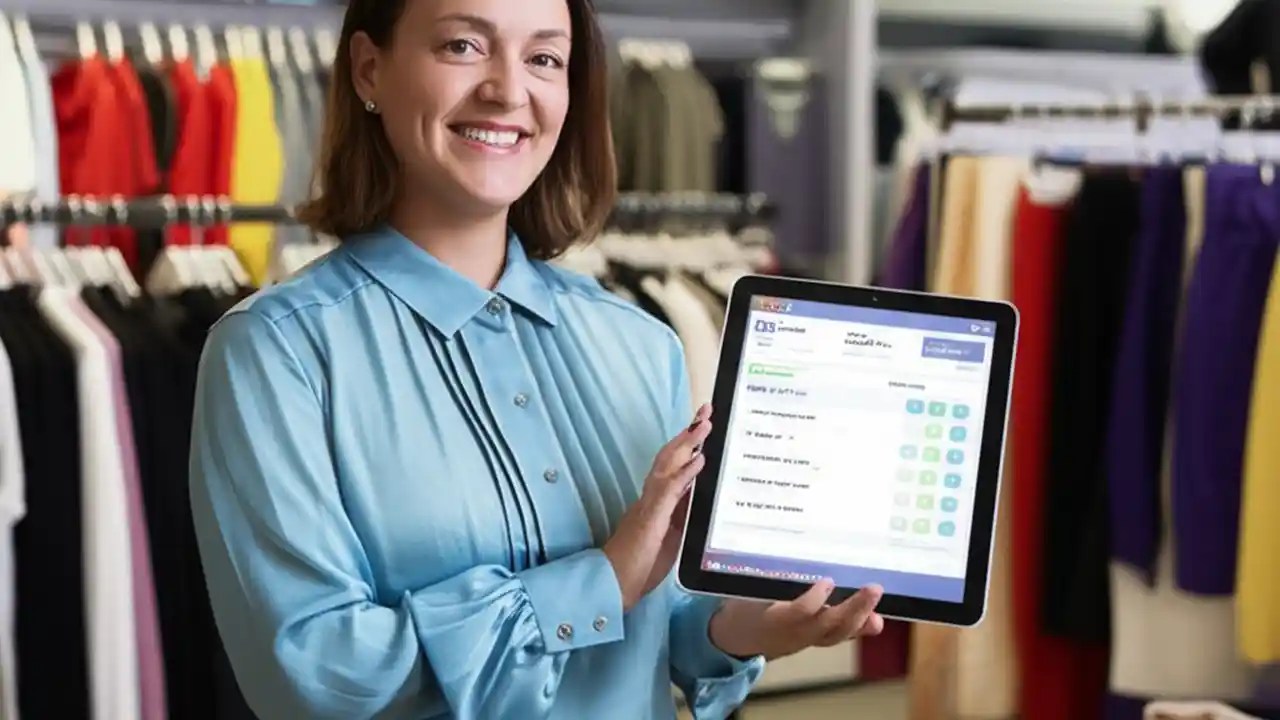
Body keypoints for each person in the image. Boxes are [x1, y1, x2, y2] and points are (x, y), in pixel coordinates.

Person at [188, 0, 886, 718]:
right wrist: (601, 581)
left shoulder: (640, 341)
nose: (508, 90)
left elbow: (665, 621)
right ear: (370, 69)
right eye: (463, 46)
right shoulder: (274, 353)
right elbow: (319, 676)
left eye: (545, 59)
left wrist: (752, 629)